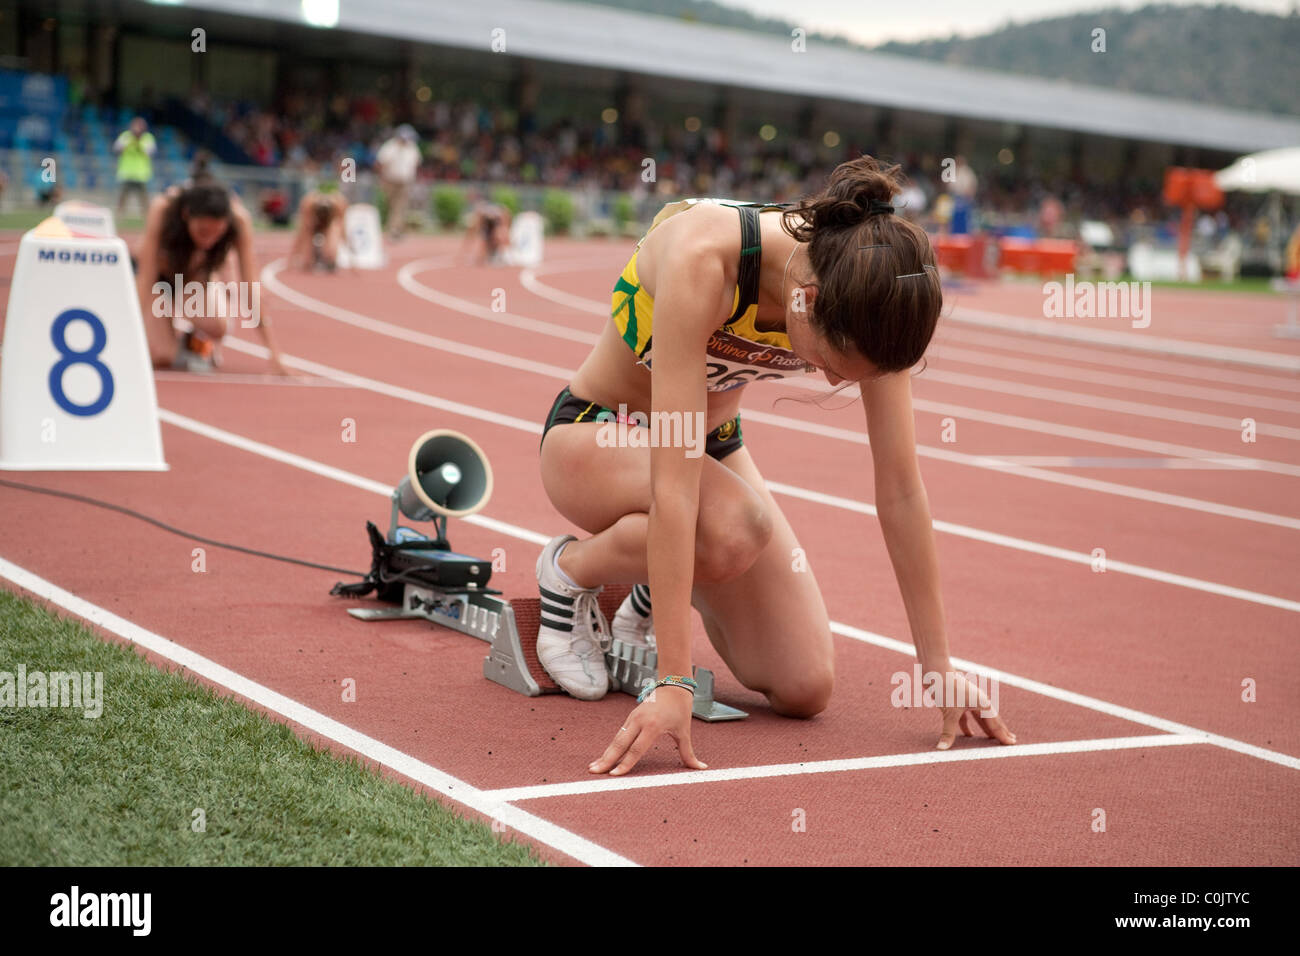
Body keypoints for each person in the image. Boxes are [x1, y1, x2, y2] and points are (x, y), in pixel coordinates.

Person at [535, 155, 1016, 777]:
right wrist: (673, 681)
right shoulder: (704, 257)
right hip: (597, 433)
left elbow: (899, 488)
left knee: (804, 685)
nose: (839, 380)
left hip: (711, 452)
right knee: (736, 524)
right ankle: (569, 573)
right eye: (834, 366)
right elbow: (676, 482)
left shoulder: (874, 293)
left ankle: (652, 589)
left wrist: (939, 665)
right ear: (808, 300)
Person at [134, 178, 290, 374]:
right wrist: (132, 327)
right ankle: (167, 339)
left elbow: (250, 286)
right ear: (186, 215)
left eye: (217, 233)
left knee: (218, 326)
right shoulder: (163, 209)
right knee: (161, 356)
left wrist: (274, 353)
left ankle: (193, 343)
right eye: (202, 232)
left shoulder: (239, 220)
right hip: (158, 279)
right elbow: (146, 276)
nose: (209, 240)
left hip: (191, 278)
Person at [375, 124, 421, 240]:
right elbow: (381, 163)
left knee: (399, 206)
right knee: (390, 205)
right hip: (390, 181)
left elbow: (416, 164)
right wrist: (382, 179)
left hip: (405, 182)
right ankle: (393, 229)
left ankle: (395, 230)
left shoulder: (412, 147)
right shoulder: (390, 147)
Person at [288, 189, 348, 271]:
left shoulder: (339, 205)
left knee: (332, 246)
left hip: (330, 224)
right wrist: (293, 257)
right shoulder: (308, 204)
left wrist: (346, 246)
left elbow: (342, 229)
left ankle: (330, 260)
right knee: (307, 260)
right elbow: (301, 235)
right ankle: (313, 258)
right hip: (313, 223)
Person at [114, 117, 156, 217]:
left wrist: (138, 142)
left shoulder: (148, 138)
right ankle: (119, 217)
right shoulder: (126, 136)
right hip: (127, 172)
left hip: (141, 174)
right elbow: (117, 149)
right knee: (122, 198)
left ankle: (147, 218)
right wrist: (131, 141)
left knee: (144, 200)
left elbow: (150, 152)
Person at [457, 193, 512, 265]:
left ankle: (501, 256)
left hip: (495, 223)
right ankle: (491, 256)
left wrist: (504, 229)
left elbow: (503, 220)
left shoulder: (484, 210)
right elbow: (477, 227)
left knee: (496, 239)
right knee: (487, 242)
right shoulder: (486, 211)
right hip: (491, 224)